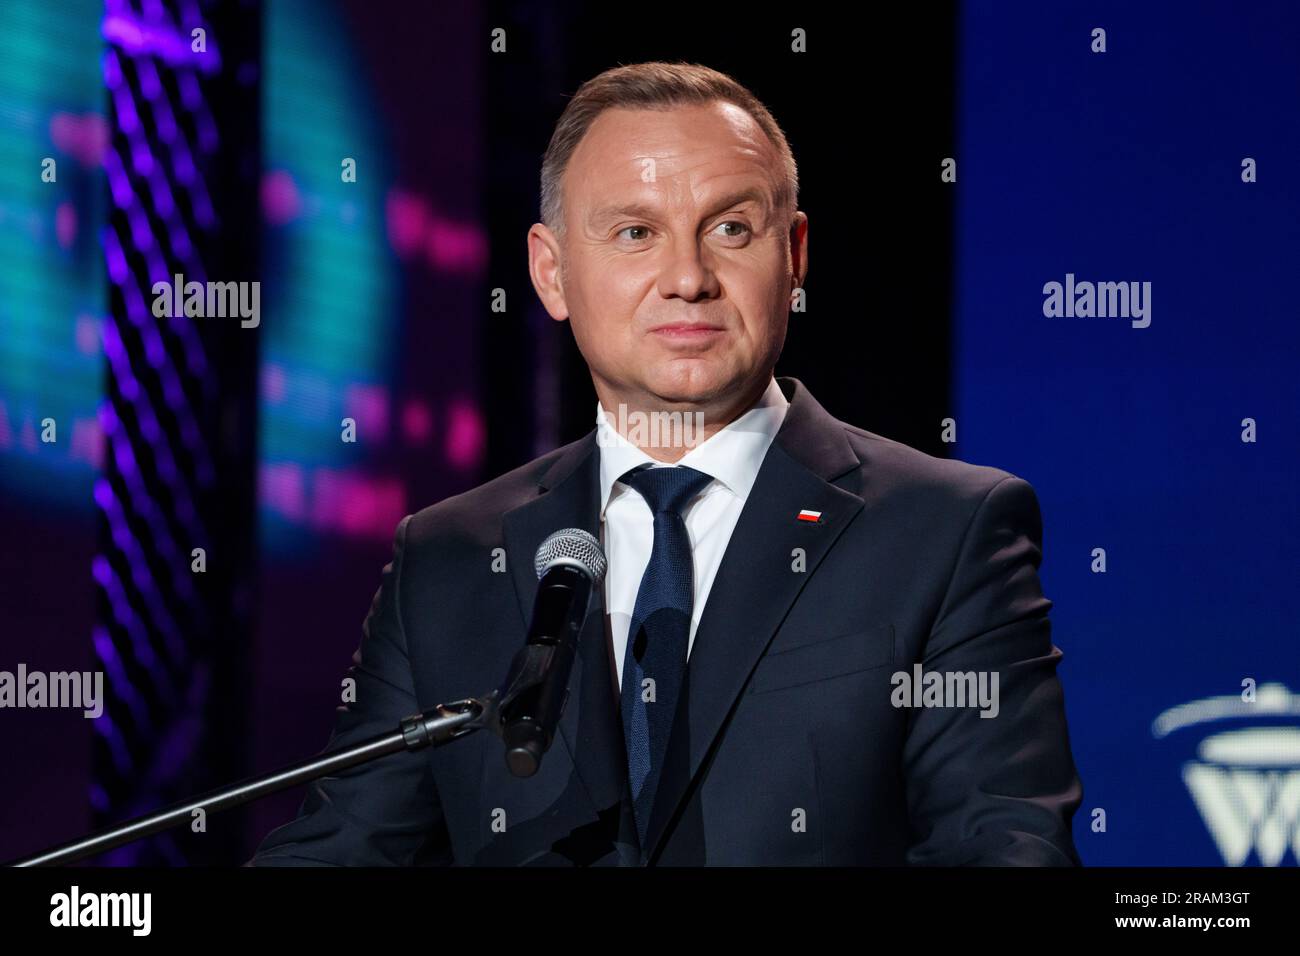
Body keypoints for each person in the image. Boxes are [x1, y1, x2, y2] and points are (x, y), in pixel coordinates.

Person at [251, 61, 1082, 866]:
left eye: (730, 229)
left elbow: (1004, 848)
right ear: (551, 271)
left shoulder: (945, 530)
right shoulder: (449, 556)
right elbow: (344, 850)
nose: (688, 278)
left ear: (794, 256)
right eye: (635, 233)